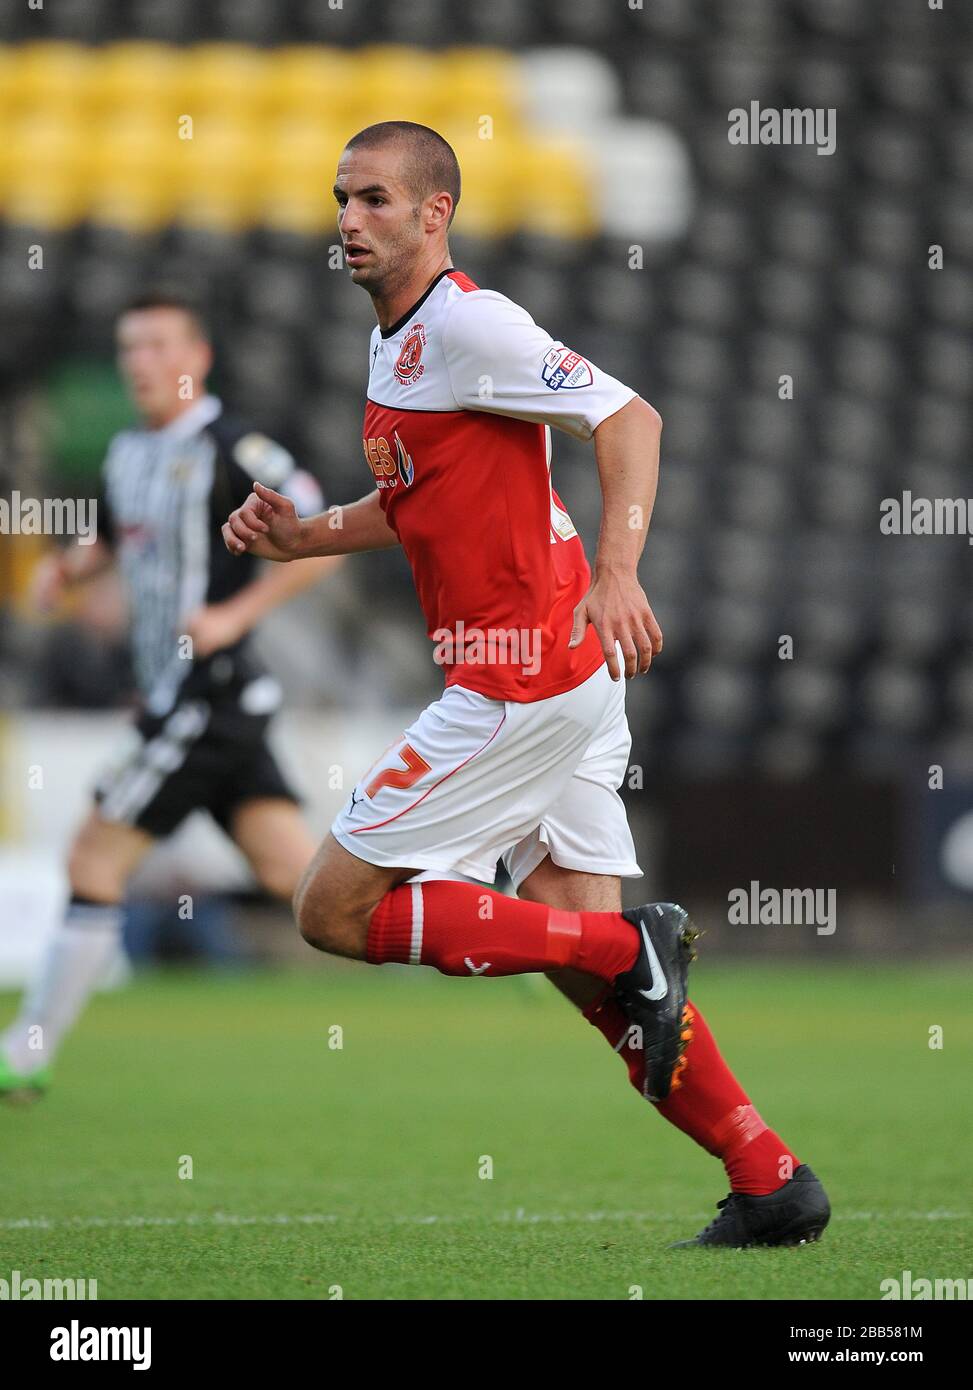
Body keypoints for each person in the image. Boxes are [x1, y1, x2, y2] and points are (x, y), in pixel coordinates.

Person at [222, 123, 830, 1248]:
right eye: (341, 198)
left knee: (331, 909)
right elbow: (417, 500)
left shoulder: (469, 323)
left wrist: (619, 568)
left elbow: (628, 416)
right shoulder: (399, 343)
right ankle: (769, 1177)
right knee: (590, 980)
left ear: (434, 212)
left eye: (374, 200)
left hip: (519, 683)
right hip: (563, 686)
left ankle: (629, 947)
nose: (347, 219)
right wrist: (304, 537)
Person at [0, 293, 339, 1100]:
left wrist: (235, 612)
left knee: (92, 855)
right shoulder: (126, 452)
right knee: (310, 885)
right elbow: (120, 536)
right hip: (210, 704)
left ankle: (25, 1053)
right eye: (129, 349)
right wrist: (70, 568)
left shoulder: (232, 447)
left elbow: (323, 533)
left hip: (199, 696)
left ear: (197, 357)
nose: (140, 364)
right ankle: (490, 930)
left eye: (156, 346)